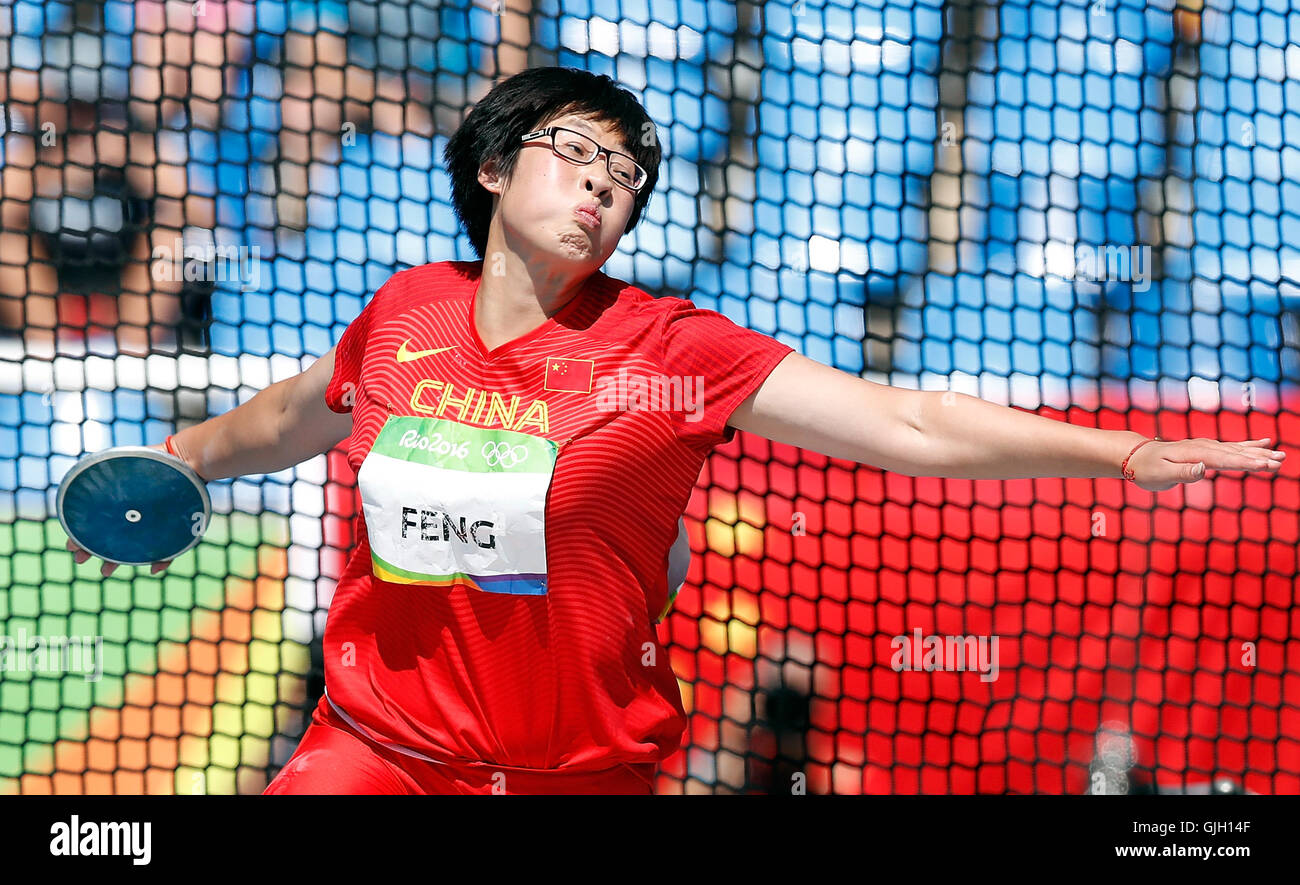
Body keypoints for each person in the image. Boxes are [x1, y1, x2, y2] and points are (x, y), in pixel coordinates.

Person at [66, 66, 1286, 795]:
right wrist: (178, 462)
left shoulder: (673, 350)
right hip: (377, 754)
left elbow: (909, 422)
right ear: (493, 168)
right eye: (578, 154)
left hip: (583, 777)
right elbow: (293, 414)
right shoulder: (405, 314)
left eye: (628, 176)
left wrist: (1122, 453)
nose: (606, 183)